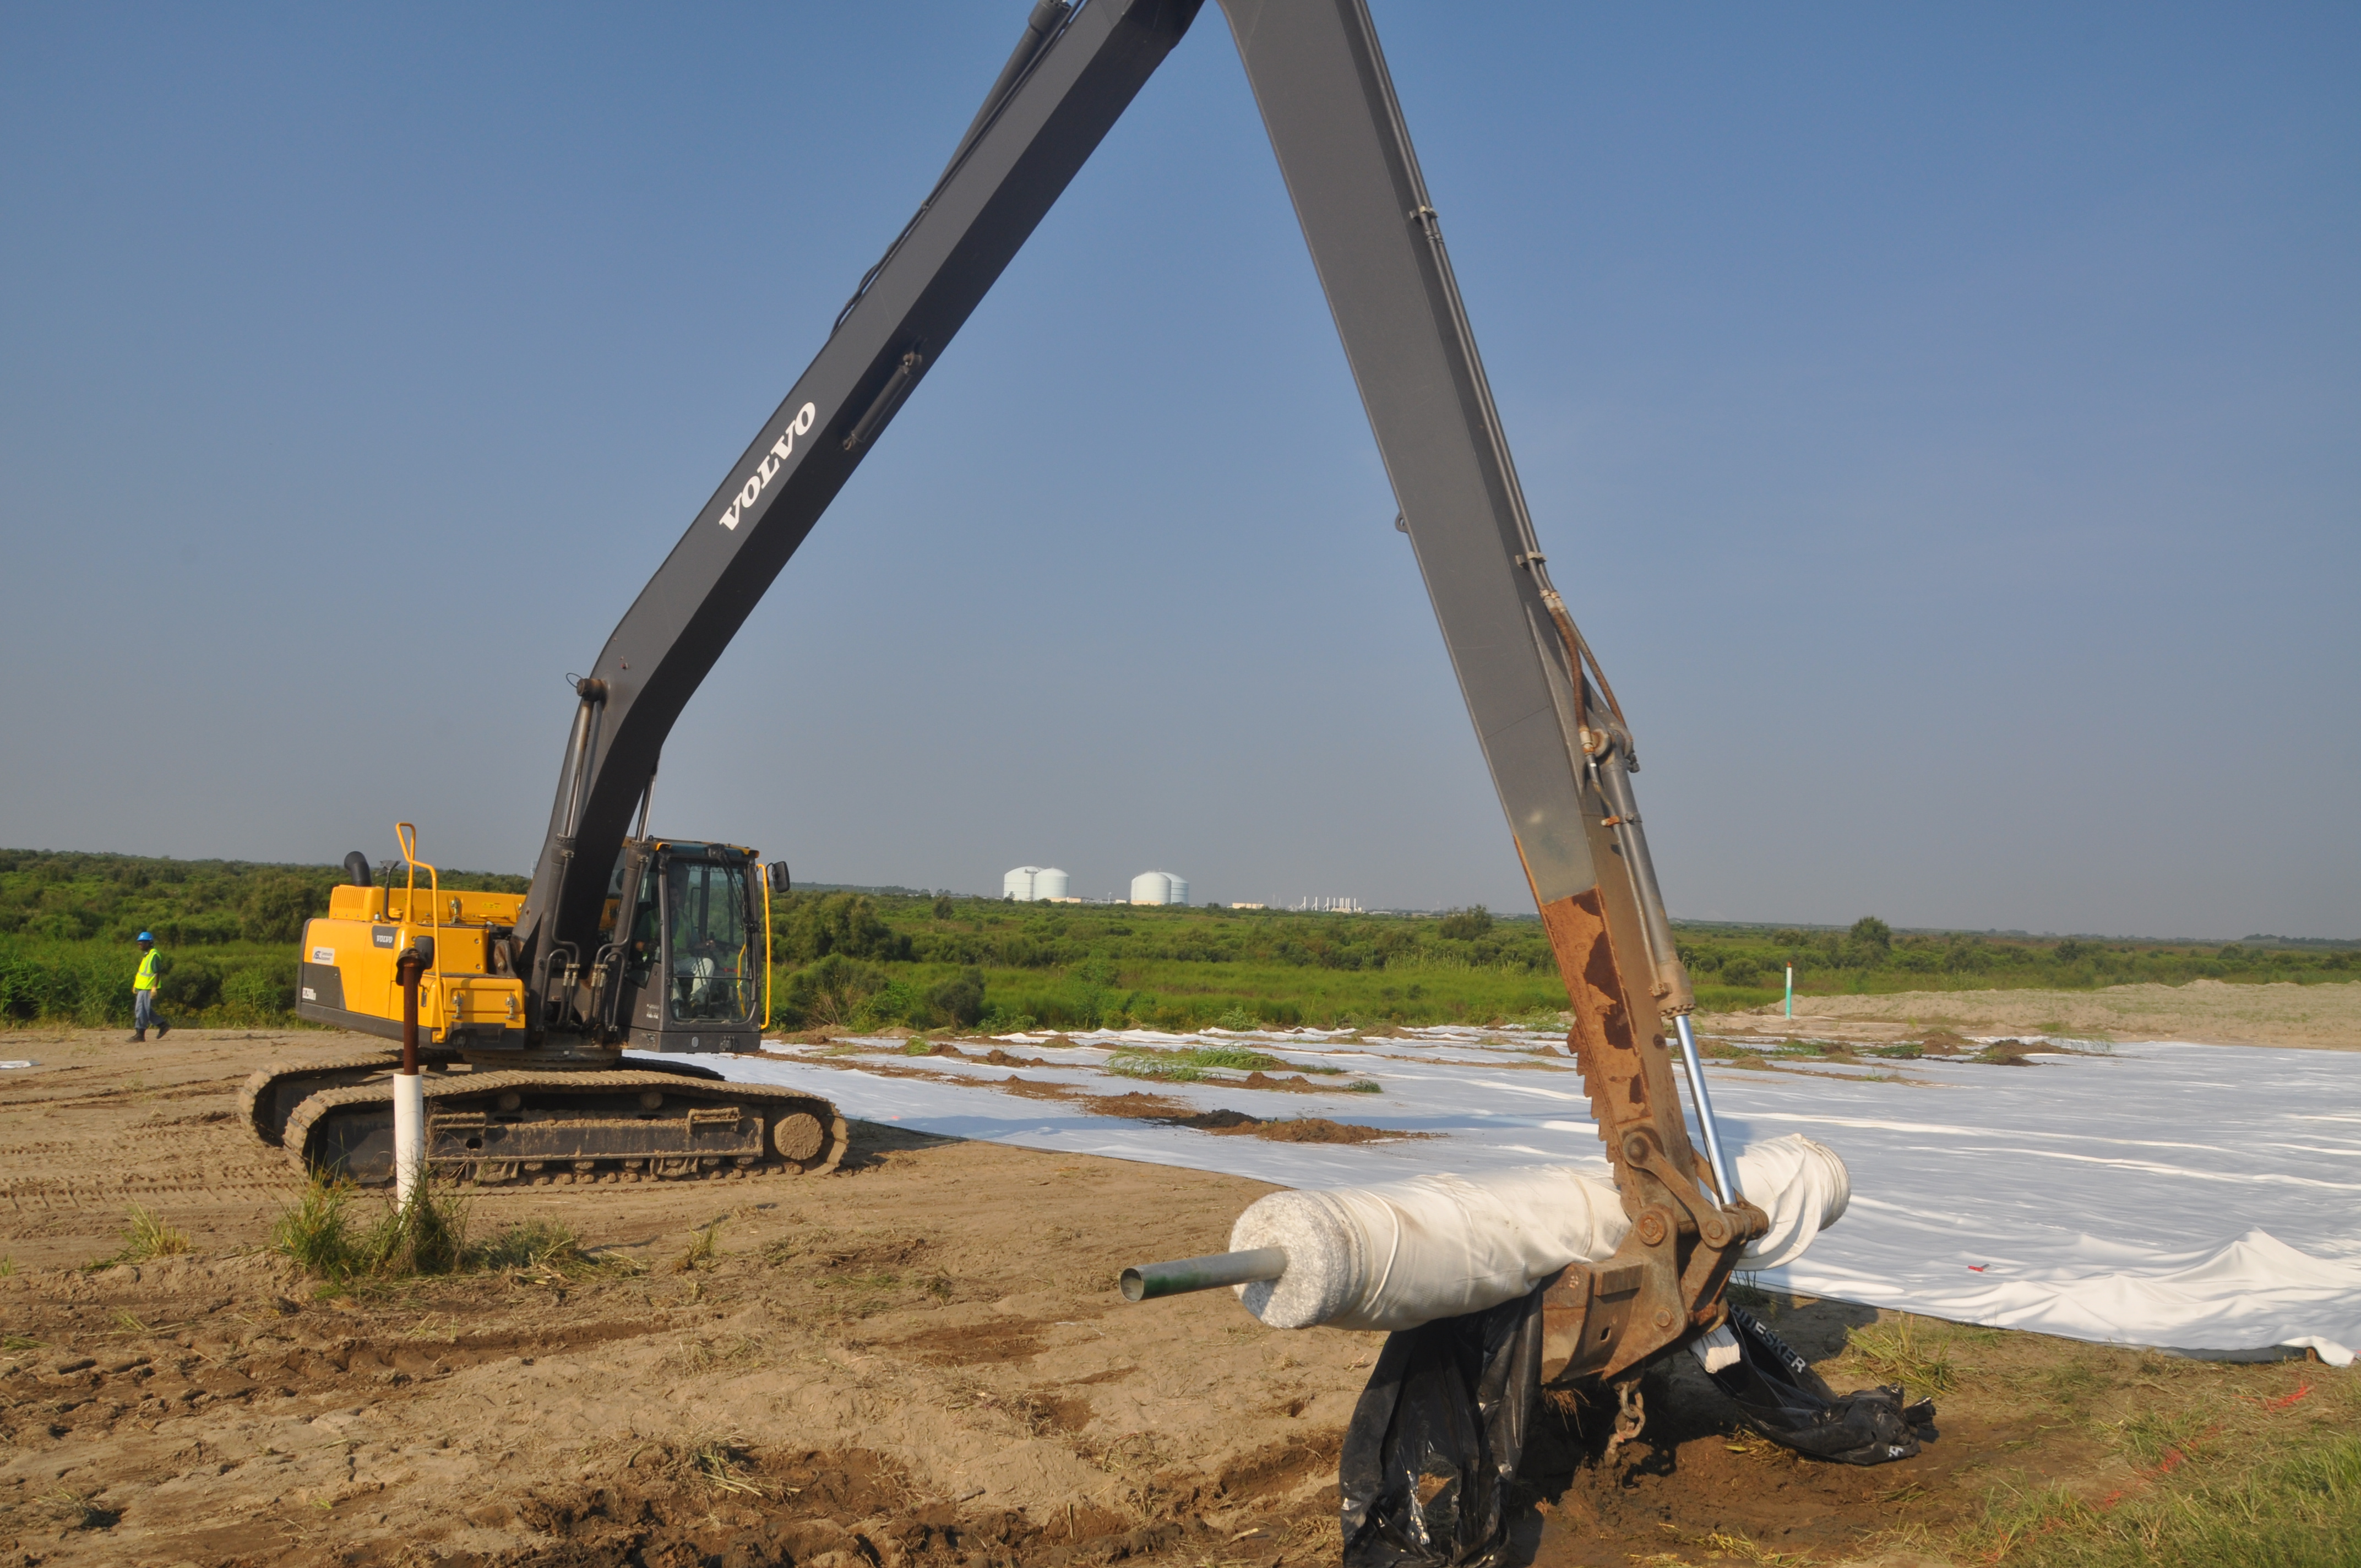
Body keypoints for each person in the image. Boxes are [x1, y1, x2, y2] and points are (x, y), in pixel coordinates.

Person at [130, 932, 171, 1043]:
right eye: (139, 942)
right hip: (142, 987)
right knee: (145, 1009)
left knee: (141, 1011)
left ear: (149, 943)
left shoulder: (154, 955)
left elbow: (157, 972)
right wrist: (136, 987)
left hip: (148, 988)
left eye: (142, 942)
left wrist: (154, 988)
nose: (139, 944)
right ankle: (163, 1025)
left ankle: (140, 1034)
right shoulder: (147, 955)